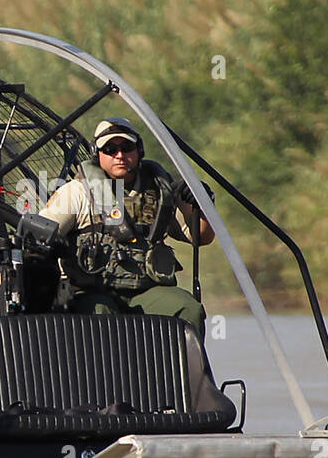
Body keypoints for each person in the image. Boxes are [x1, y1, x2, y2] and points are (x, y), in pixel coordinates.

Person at [40, 116, 215, 335]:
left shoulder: (161, 191)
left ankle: (180, 368)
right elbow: (39, 236)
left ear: (139, 150)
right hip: (94, 291)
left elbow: (201, 237)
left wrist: (199, 204)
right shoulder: (76, 192)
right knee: (98, 313)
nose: (120, 155)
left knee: (188, 308)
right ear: (97, 155)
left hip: (146, 291)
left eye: (127, 147)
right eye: (110, 149)